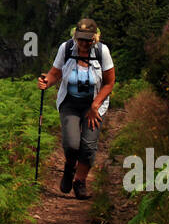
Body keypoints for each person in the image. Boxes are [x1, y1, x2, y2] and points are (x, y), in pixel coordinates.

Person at [36, 18, 115, 199]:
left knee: (88, 147)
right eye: (80, 39)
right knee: (72, 145)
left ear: (94, 38)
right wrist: (46, 82)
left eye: (88, 40)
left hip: (94, 105)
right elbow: (55, 73)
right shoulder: (66, 49)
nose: (83, 43)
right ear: (75, 36)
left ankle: (80, 182)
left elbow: (109, 82)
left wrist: (95, 105)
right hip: (70, 103)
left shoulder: (102, 52)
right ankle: (69, 168)